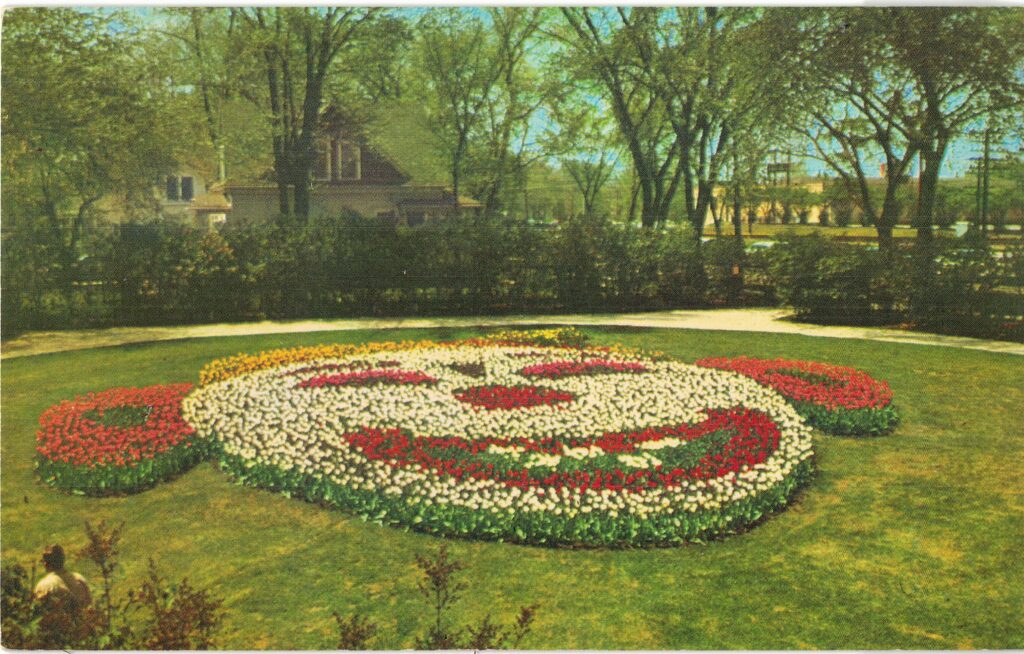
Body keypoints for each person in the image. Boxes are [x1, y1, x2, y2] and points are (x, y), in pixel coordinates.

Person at [33, 544, 92, 611]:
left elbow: (38, 612)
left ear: (46, 564)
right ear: (63, 559)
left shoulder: (44, 585)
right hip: (82, 619)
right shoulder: (80, 579)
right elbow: (89, 605)